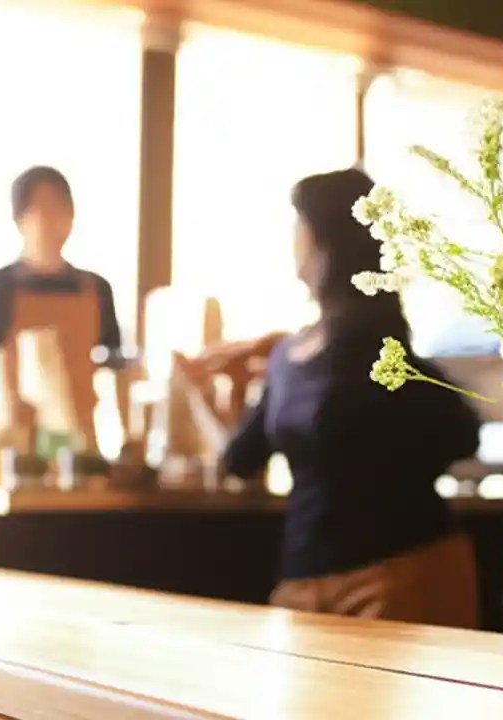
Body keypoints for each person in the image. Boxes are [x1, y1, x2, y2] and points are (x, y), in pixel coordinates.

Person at [176, 168, 482, 626]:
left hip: (396, 574)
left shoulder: (375, 346)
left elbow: (461, 432)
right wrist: (200, 394)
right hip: (303, 586)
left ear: (322, 238)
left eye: (298, 224)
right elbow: (239, 459)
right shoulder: (288, 357)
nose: (291, 239)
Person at [0, 166, 127, 459]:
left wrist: (128, 439)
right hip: (14, 455)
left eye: (61, 208)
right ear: (20, 218)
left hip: (82, 451)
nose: (53, 220)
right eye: (43, 209)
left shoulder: (97, 289)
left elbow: (118, 371)